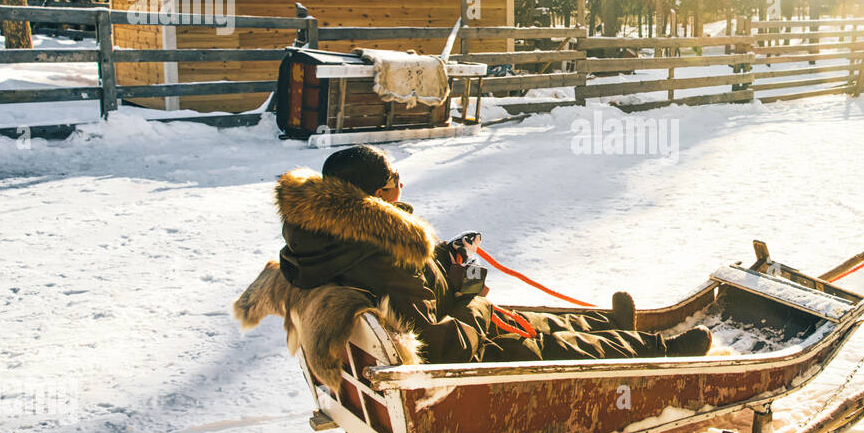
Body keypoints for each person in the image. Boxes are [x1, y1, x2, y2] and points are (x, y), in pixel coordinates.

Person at [274, 144, 711, 364]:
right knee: (549, 345)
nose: (401, 185)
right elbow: (434, 343)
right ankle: (659, 353)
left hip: (454, 325)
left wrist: (450, 259)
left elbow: (416, 291)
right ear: (373, 197)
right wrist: (473, 301)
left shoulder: (339, 242)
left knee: (536, 320)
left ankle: (611, 326)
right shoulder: (381, 256)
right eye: (393, 178)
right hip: (465, 364)